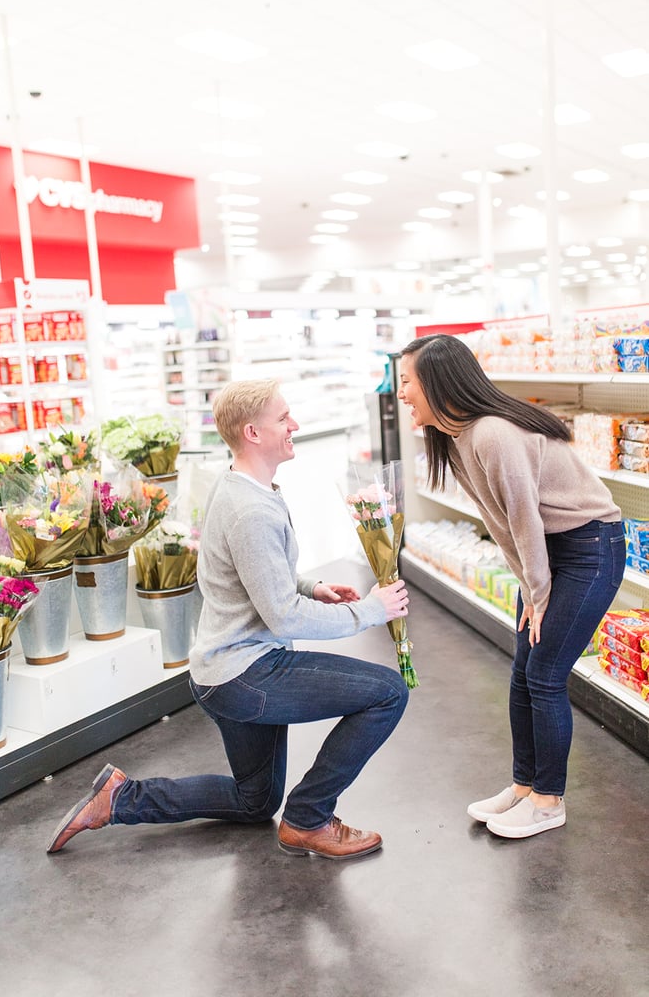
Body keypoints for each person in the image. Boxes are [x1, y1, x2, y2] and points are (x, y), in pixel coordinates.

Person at [47, 379, 410, 859]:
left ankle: (121, 797)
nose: (294, 425)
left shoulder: (241, 486)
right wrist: (368, 611)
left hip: (221, 672)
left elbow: (254, 576)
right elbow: (282, 617)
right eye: (284, 417)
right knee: (388, 692)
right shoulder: (251, 509)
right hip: (248, 676)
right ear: (253, 432)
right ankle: (309, 818)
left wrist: (310, 587)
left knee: (254, 800)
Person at [398, 334, 625, 839]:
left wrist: (538, 595)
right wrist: (528, 585)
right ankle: (524, 786)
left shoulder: (492, 433)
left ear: (438, 382)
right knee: (523, 670)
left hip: (589, 548)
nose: (402, 394)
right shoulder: (455, 438)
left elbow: (522, 518)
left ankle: (548, 802)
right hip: (547, 553)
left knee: (545, 675)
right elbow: (500, 524)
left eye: (407, 382)